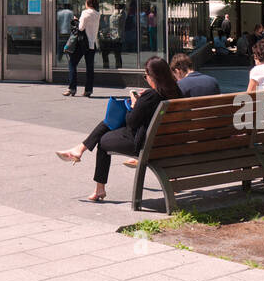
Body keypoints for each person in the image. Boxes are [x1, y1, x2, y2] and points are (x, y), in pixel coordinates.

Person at [54, 56, 182, 203]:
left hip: (143, 144)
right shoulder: (176, 91)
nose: (146, 79)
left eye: (146, 76)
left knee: (103, 140)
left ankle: (99, 188)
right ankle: (80, 149)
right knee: (109, 124)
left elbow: (132, 122)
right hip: (167, 143)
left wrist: (134, 104)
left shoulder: (151, 96)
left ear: (153, 76)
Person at [64, 0, 100, 97]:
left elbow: (80, 28)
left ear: (88, 3)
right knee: (90, 68)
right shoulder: (97, 14)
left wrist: (76, 20)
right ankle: (88, 90)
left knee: (72, 63)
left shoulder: (85, 13)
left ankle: (72, 88)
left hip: (82, 43)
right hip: (92, 44)